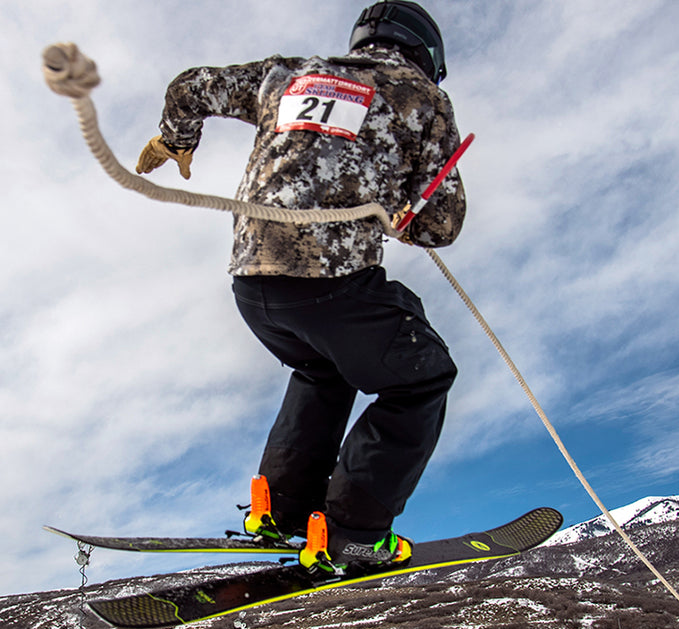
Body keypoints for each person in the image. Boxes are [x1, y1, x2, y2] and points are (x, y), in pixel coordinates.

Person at [136, 0, 463, 575]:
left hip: (252, 282)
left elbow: (190, 87)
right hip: (329, 283)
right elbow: (443, 224)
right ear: (427, 56)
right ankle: (356, 533)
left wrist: (176, 138)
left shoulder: (286, 74)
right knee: (423, 376)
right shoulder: (422, 99)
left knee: (324, 368)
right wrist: (403, 213)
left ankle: (283, 510)